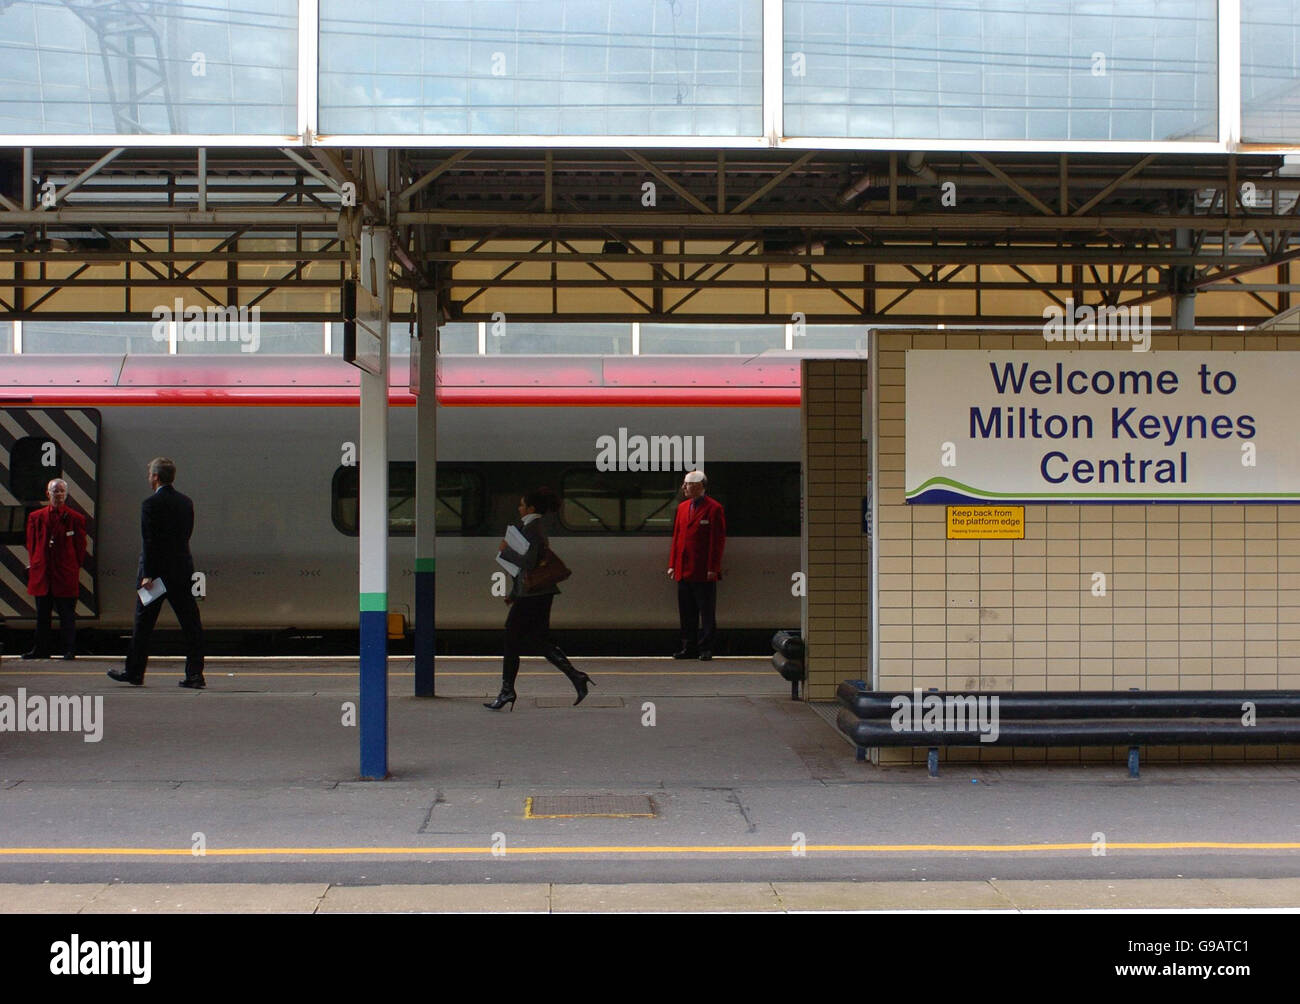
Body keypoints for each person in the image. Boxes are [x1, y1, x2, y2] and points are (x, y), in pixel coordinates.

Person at [485, 486, 593, 711]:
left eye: (522, 504)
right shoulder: (531, 527)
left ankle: (507, 691)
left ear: (531, 508)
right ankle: (576, 677)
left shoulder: (532, 529)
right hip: (536, 593)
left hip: (534, 595)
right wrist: (514, 594)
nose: (519, 507)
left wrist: (505, 551)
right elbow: (526, 570)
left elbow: (528, 563)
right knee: (539, 640)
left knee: (511, 637)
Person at [108, 457, 205, 688]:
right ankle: (195, 674)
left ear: (155, 477)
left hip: (156, 577)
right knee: (191, 624)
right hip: (181, 572)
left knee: (143, 623)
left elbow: (149, 541)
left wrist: (148, 575)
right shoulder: (186, 502)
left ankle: (134, 672)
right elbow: (185, 536)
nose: (149, 478)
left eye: (150, 475)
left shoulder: (149, 505)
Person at [23, 478, 88, 660]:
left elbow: (80, 547)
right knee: (42, 615)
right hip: (43, 574)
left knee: (67, 615)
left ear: (66, 495)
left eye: (61, 491)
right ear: (48, 493)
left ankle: (68, 649)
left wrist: (73, 566)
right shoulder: (36, 518)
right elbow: (31, 543)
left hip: (64, 574)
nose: (58, 494)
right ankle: (41, 649)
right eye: (55, 491)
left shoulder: (76, 519)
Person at [667, 470, 726, 660]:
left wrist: (713, 568)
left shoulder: (714, 508)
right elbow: (677, 538)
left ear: (699, 486)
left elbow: (717, 542)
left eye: (688, 484)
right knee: (687, 612)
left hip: (703, 571)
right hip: (683, 569)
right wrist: (673, 564)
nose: (684, 487)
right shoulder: (683, 508)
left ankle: (706, 647)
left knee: (706, 612)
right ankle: (688, 646)